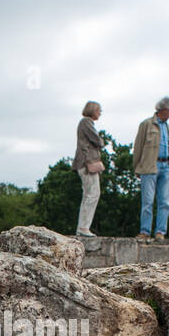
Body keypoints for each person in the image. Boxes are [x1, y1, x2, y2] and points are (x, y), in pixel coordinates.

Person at [133, 96, 169, 240]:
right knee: (148, 201)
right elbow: (138, 146)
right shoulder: (146, 124)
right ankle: (145, 231)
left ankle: (160, 232)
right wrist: (136, 167)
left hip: (166, 166)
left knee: (165, 201)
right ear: (163, 109)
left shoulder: (167, 127)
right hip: (150, 165)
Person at [71, 101, 105, 236]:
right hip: (87, 162)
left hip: (85, 162)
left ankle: (83, 227)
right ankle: (83, 227)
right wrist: (101, 141)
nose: (100, 113)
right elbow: (97, 140)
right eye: (99, 110)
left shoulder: (85, 122)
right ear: (93, 110)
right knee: (93, 194)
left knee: (89, 194)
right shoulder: (86, 122)